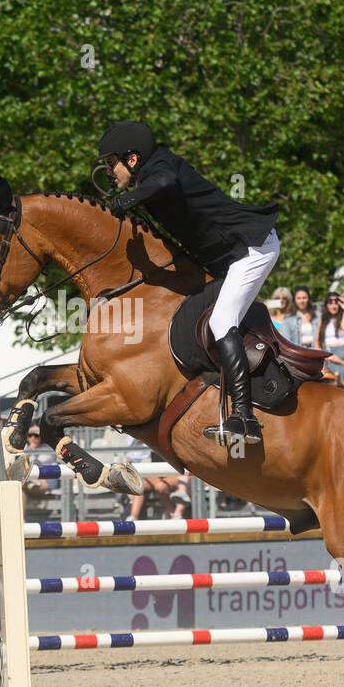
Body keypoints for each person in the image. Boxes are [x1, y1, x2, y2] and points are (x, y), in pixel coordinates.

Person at [97, 121, 279, 446]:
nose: (110, 172)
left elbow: (165, 182)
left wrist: (127, 202)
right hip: (229, 257)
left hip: (252, 249)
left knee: (223, 320)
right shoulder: (149, 175)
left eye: (112, 163)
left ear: (133, 159)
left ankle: (244, 418)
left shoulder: (162, 167)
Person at [317, 291, 344, 380]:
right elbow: (317, 341)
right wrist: (323, 356)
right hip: (327, 354)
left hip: (342, 354)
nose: (334, 306)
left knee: (343, 383)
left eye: (336, 302)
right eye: (330, 302)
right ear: (326, 305)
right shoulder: (323, 320)